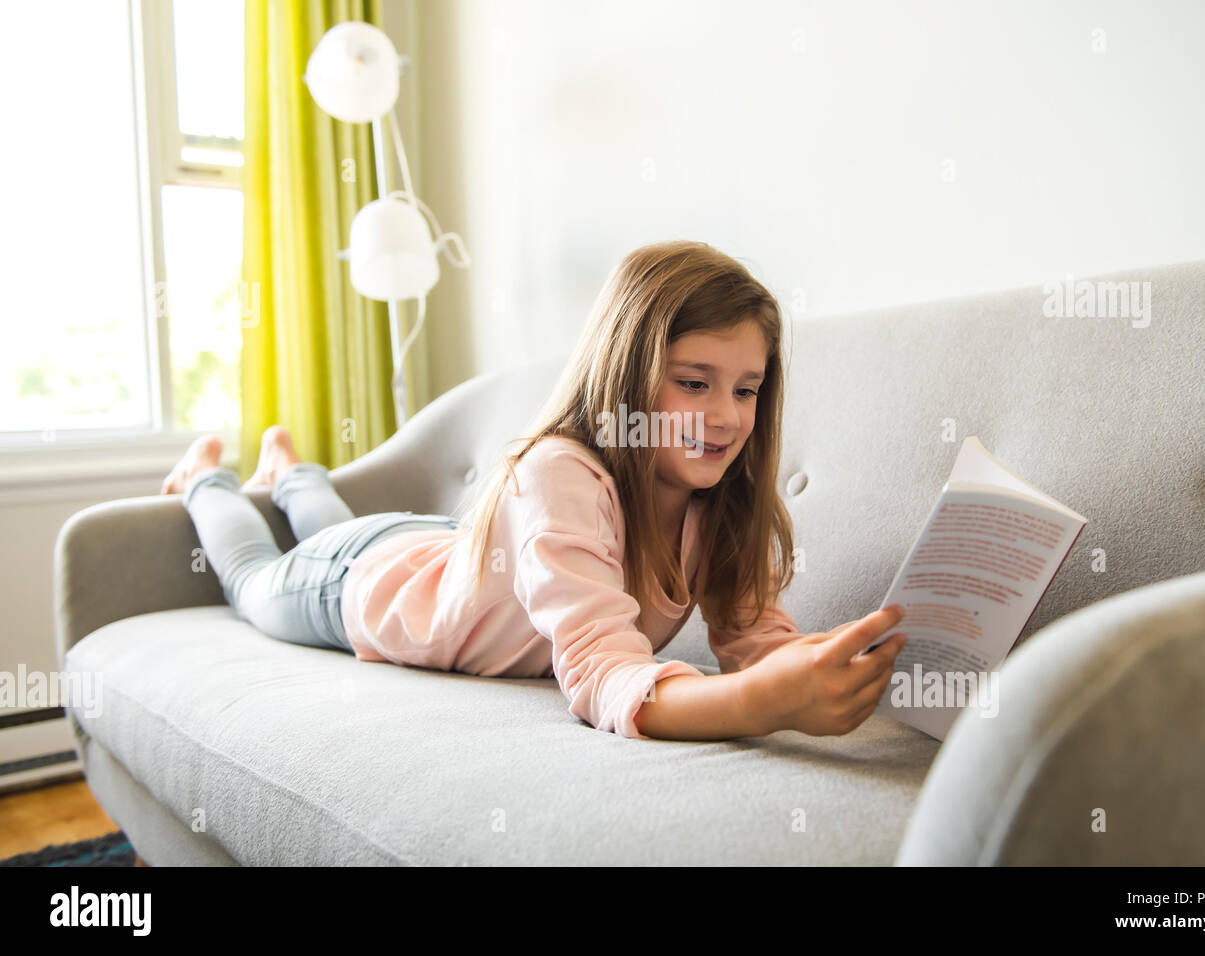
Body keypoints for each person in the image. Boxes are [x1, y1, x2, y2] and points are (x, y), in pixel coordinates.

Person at [161, 239, 907, 741]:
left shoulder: (718, 500)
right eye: (693, 383)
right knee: (257, 577)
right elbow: (602, 675)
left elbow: (758, 644)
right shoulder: (560, 471)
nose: (725, 418)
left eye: (746, 390)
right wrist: (764, 704)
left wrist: (847, 659)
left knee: (335, 523)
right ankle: (211, 480)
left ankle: (294, 474)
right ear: (624, 372)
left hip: (435, 549)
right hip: (360, 584)